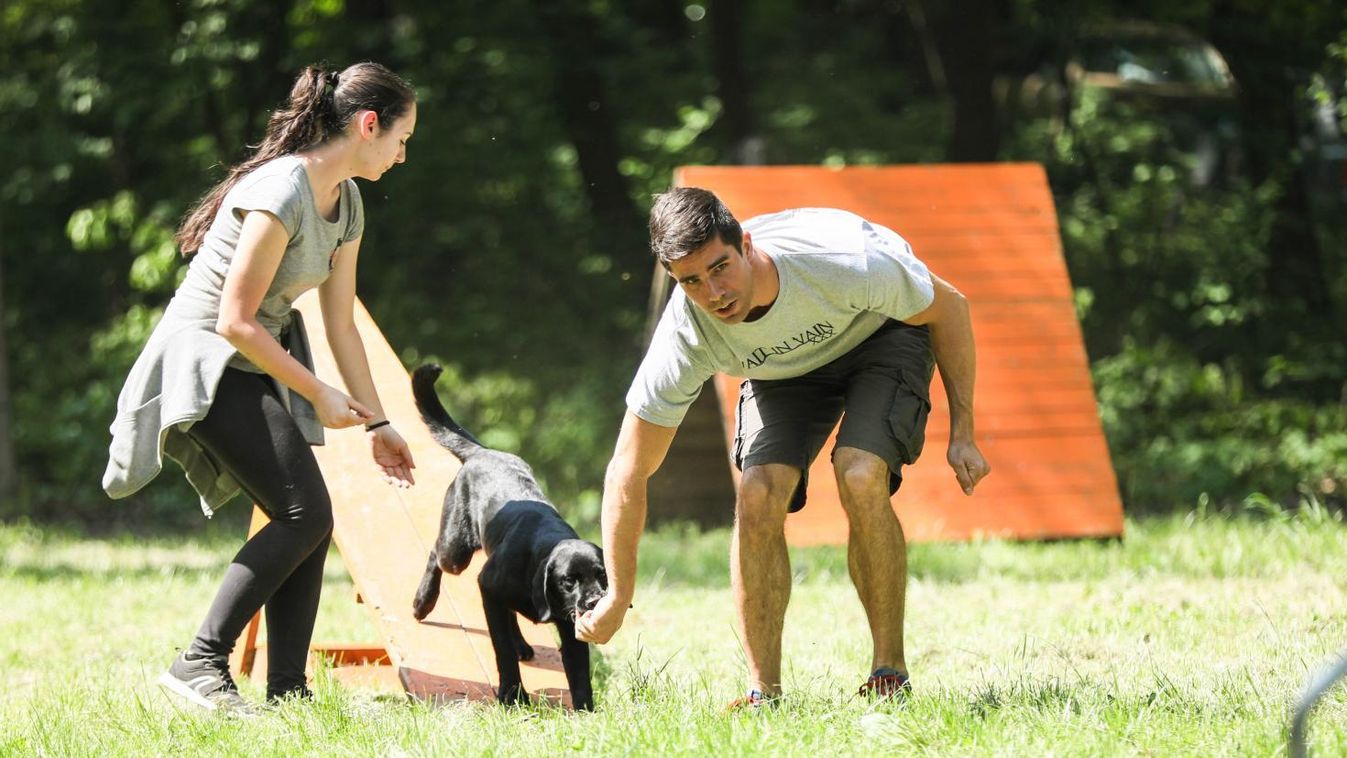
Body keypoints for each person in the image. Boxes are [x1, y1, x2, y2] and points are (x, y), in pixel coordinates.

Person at [575, 188, 991, 707]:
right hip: (783, 372)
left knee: (860, 473)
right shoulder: (687, 330)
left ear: (746, 244)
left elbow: (950, 307)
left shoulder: (845, 263)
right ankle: (763, 695)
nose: (714, 293)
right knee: (757, 492)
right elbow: (627, 470)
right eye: (691, 281)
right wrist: (617, 594)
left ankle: (889, 674)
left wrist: (964, 432)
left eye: (720, 267)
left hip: (883, 336)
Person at [102, 62, 419, 712]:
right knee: (305, 513)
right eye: (401, 137)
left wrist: (378, 423)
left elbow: (340, 324)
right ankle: (200, 661)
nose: (402, 153)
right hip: (209, 359)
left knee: (306, 518)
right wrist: (320, 394)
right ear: (367, 125)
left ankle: (288, 690)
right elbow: (235, 321)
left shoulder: (346, 202)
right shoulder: (280, 190)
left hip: (253, 360)